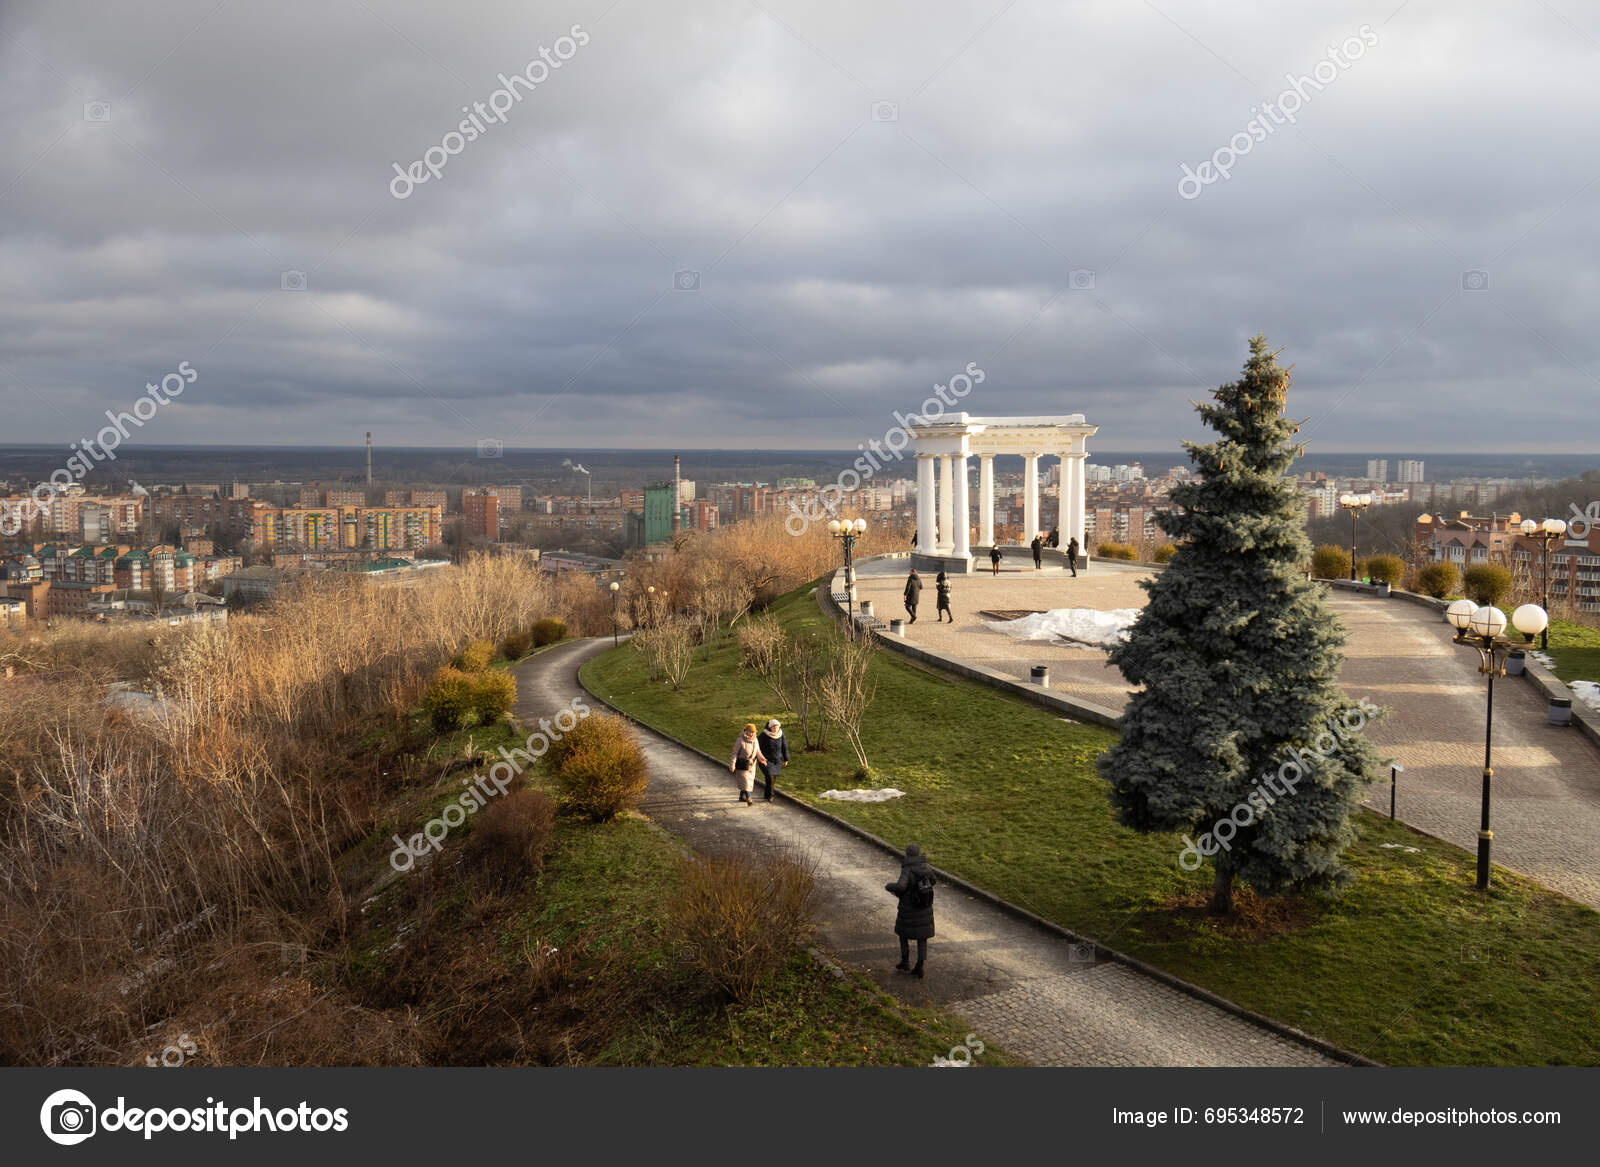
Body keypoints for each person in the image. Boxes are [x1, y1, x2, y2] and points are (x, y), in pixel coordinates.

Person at [885, 843, 936, 977]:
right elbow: (934, 881)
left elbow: (901, 887)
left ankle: (905, 961)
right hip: (924, 906)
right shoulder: (926, 866)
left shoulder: (907, 869)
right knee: (922, 938)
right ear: (918, 853)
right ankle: (919, 967)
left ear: (907, 854)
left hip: (909, 908)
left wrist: (889, 886)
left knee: (903, 934)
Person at [729, 723, 767, 805]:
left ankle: (742, 796)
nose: (751, 734)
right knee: (746, 782)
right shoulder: (740, 740)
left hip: (751, 765)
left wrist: (762, 759)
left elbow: (758, 751)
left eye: (753, 732)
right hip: (742, 764)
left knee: (748, 782)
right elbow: (734, 753)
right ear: (745, 731)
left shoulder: (755, 740)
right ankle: (749, 798)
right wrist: (732, 765)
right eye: (749, 732)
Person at [756, 718, 788, 801]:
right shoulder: (764, 735)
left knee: (772, 778)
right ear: (770, 727)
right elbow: (757, 746)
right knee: (769, 776)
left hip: (777, 760)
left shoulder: (781, 734)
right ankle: (771, 795)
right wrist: (757, 758)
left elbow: (784, 747)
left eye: (777, 727)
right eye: (773, 727)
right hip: (765, 760)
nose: (775, 729)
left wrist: (786, 759)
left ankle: (767, 794)